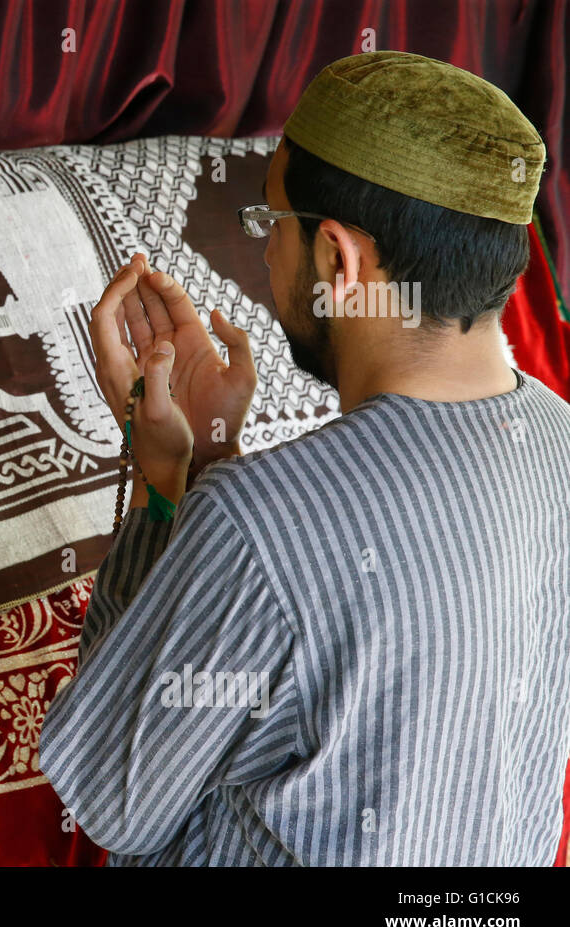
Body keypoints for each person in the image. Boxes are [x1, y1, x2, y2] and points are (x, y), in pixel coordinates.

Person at [38, 50, 570, 866]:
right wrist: (210, 453)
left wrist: (164, 486)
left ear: (338, 260)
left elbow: (113, 797)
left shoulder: (259, 519)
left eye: (270, 224)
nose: (265, 256)